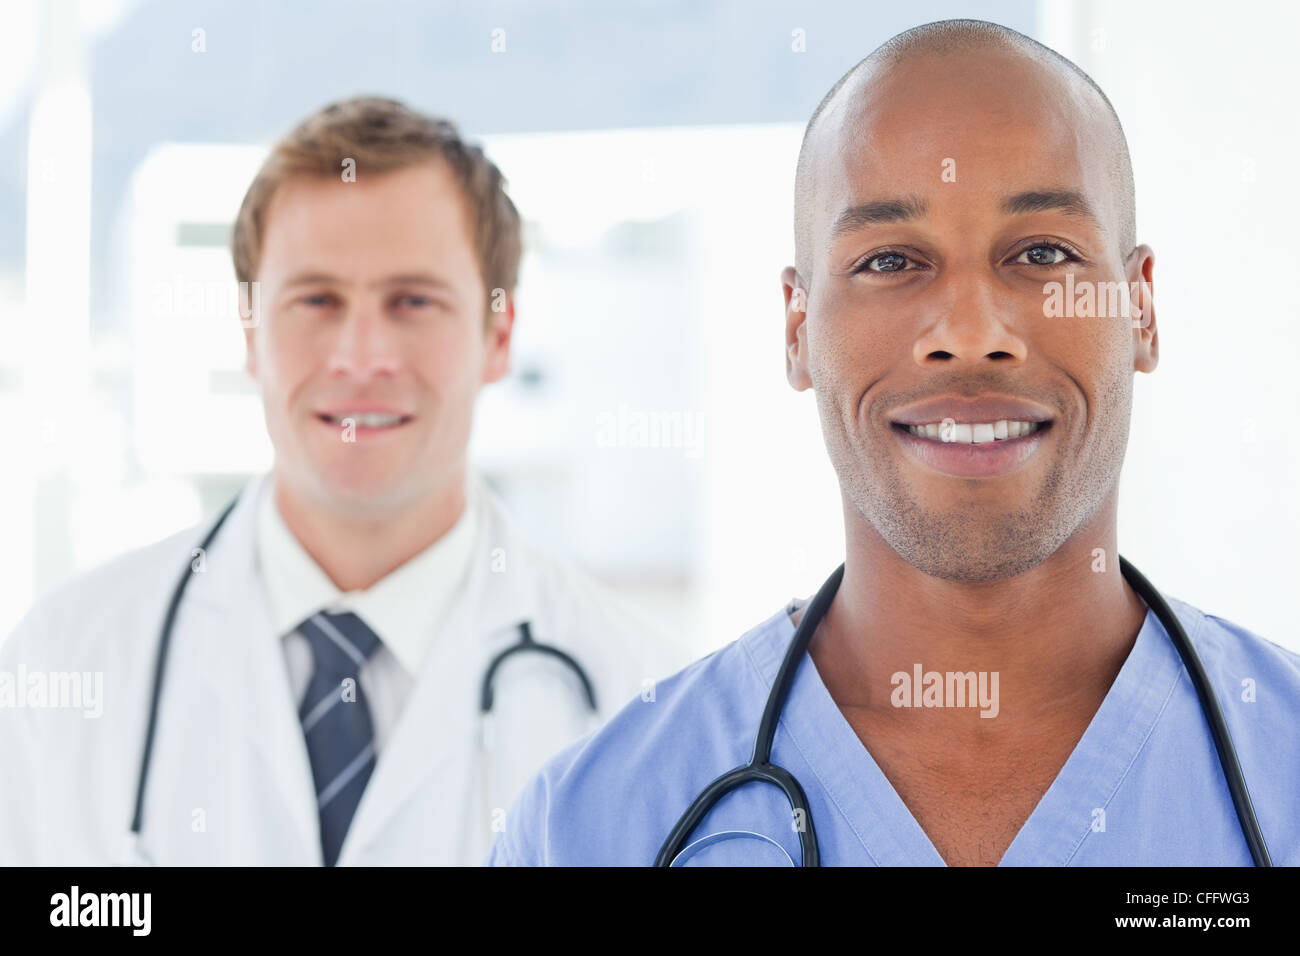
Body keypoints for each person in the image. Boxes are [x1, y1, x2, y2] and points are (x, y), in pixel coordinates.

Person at [487, 20, 1300, 866]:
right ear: (798, 329)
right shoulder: (588, 827)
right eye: (890, 262)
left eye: (1043, 252)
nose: (971, 332)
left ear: (1141, 308)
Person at [0, 96, 686, 866]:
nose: (361, 357)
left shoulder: (646, 698)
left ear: (498, 336)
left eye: (413, 301)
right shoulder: (65, 665)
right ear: (250, 333)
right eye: (317, 300)